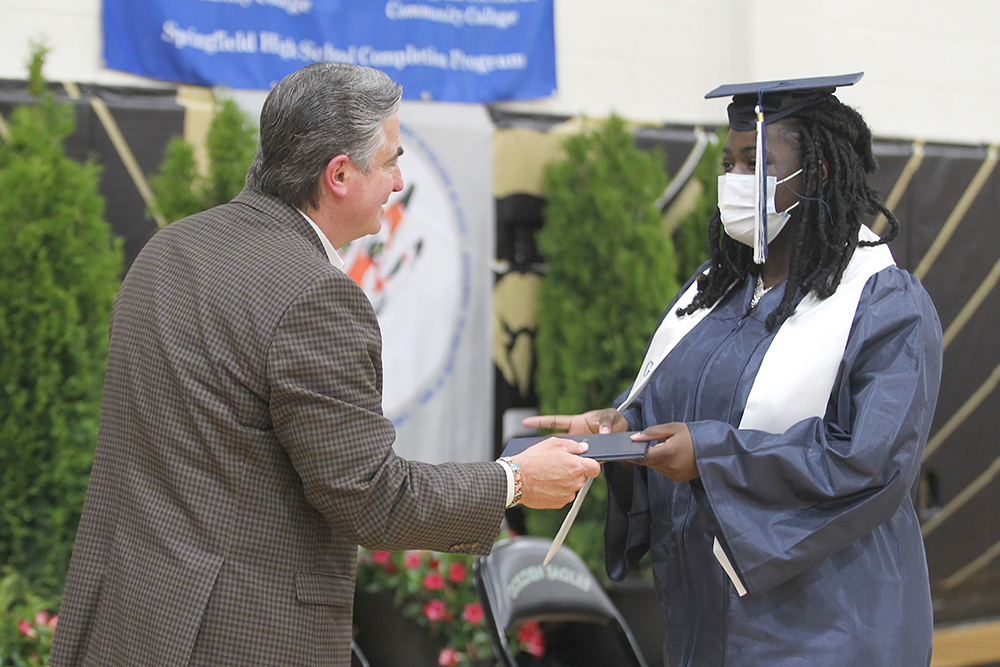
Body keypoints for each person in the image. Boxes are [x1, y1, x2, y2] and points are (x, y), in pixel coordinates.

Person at [49, 62, 600, 667]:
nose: (397, 180)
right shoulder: (316, 295)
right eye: (391, 160)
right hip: (240, 638)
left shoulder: (168, 249)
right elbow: (373, 499)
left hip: (122, 624)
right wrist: (515, 481)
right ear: (339, 174)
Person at [525, 73, 943, 666]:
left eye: (756, 162)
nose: (735, 181)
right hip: (705, 616)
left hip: (824, 624)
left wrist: (713, 455)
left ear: (818, 173)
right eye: (729, 163)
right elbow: (680, 405)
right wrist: (622, 428)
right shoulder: (717, 290)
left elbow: (871, 461)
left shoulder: (880, 301)